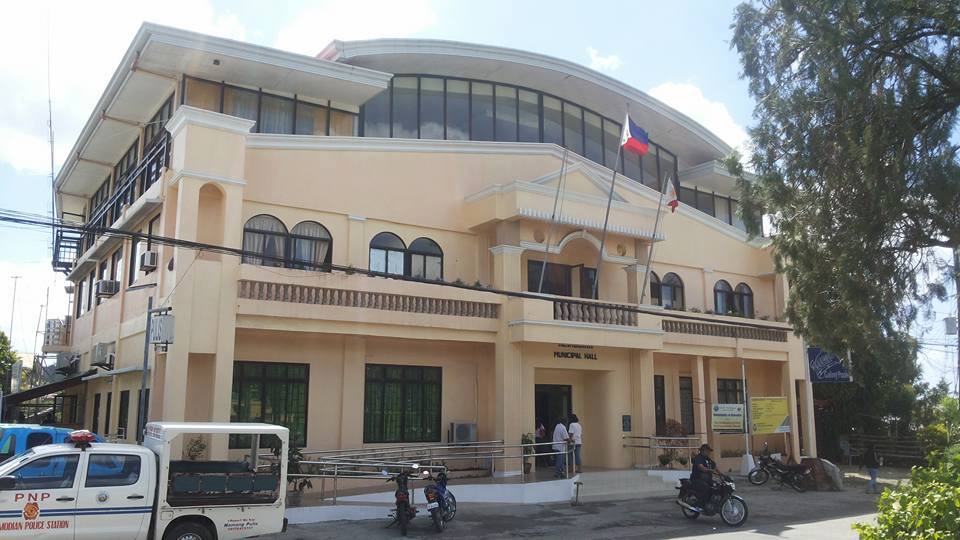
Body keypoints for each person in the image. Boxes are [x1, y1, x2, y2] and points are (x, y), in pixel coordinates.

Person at [689, 443, 718, 510]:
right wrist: (709, 470)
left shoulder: (708, 459)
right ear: (703, 451)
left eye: (709, 451)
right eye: (708, 451)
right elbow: (701, 467)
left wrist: (723, 475)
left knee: (716, 486)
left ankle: (711, 503)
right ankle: (699, 505)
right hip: (697, 479)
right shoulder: (698, 458)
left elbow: (715, 467)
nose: (709, 452)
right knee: (706, 488)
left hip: (706, 479)